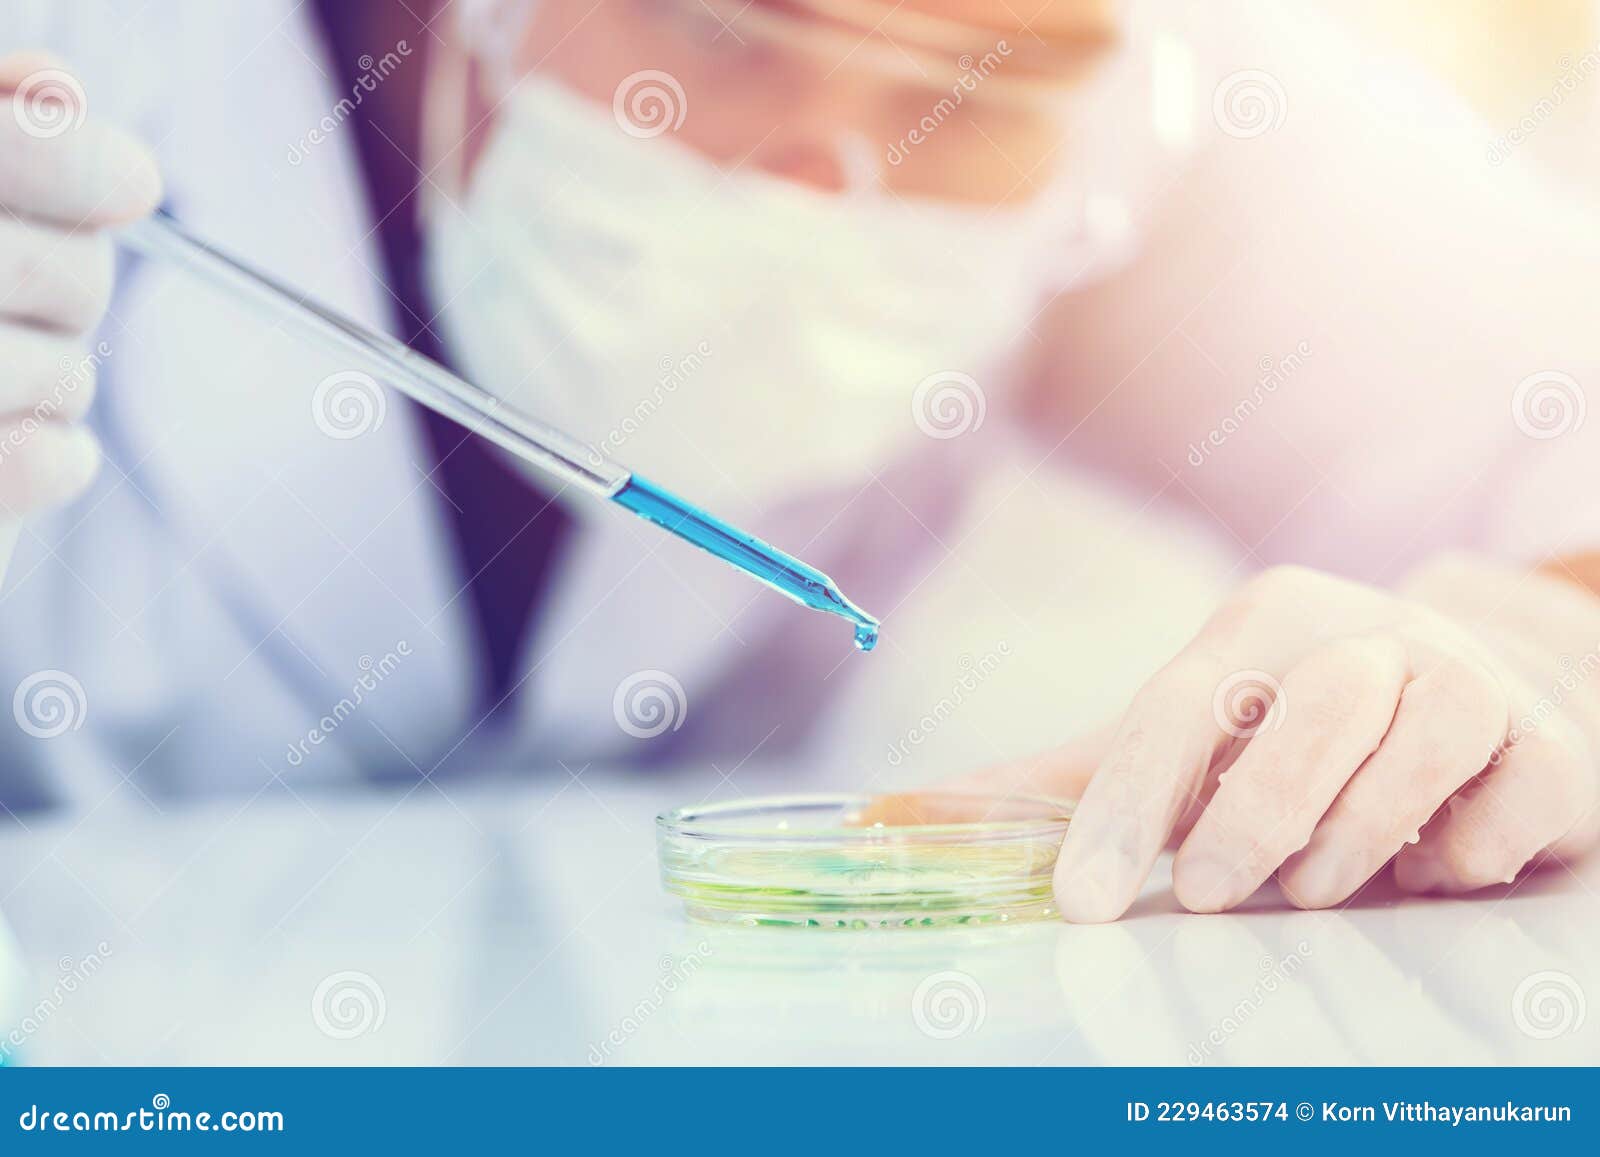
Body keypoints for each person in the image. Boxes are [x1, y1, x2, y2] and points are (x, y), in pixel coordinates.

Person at [0, 0, 1595, 923]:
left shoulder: (1147, 74)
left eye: (962, 95)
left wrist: (1546, 649)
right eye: (726, 24)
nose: (817, 183)